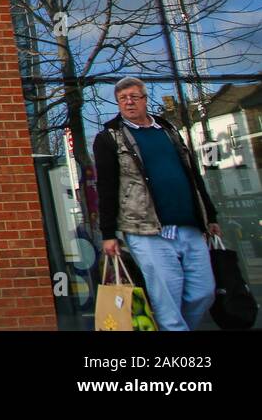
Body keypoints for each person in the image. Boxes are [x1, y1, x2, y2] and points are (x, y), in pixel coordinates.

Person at [93, 77, 221, 331]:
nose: (129, 102)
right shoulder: (110, 137)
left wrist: (210, 215)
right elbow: (107, 187)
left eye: (133, 97)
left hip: (189, 226)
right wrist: (108, 233)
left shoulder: (168, 131)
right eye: (122, 98)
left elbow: (192, 174)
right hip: (147, 230)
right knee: (167, 300)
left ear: (144, 99)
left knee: (204, 292)